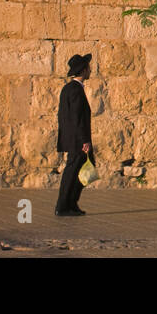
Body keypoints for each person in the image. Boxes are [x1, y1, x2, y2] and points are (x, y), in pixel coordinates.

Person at [55, 53, 94, 217]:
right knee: (74, 171)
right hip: (77, 140)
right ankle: (64, 205)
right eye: (88, 67)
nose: (90, 70)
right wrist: (84, 140)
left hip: (73, 138)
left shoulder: (69, 88)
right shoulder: (76, 90)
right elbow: (76, 117)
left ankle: (71, 203)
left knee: (83, 168)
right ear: (84, 70)